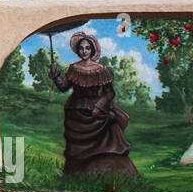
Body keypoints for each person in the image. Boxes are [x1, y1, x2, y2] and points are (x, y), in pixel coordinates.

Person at [49, 31, 138, 177]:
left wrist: (99, 106)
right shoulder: (73, 69)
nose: (84, 51)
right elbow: (63, 87)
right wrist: (56, 77)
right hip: (76, 113)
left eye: (87, 48)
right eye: (81, 48)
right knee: (76, 148)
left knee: (111, 130)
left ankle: (107, 171)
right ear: (77, 50)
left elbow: (110, 93)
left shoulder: (101, 70)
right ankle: (77, 174)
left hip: (96, 112)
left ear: (93, 50)